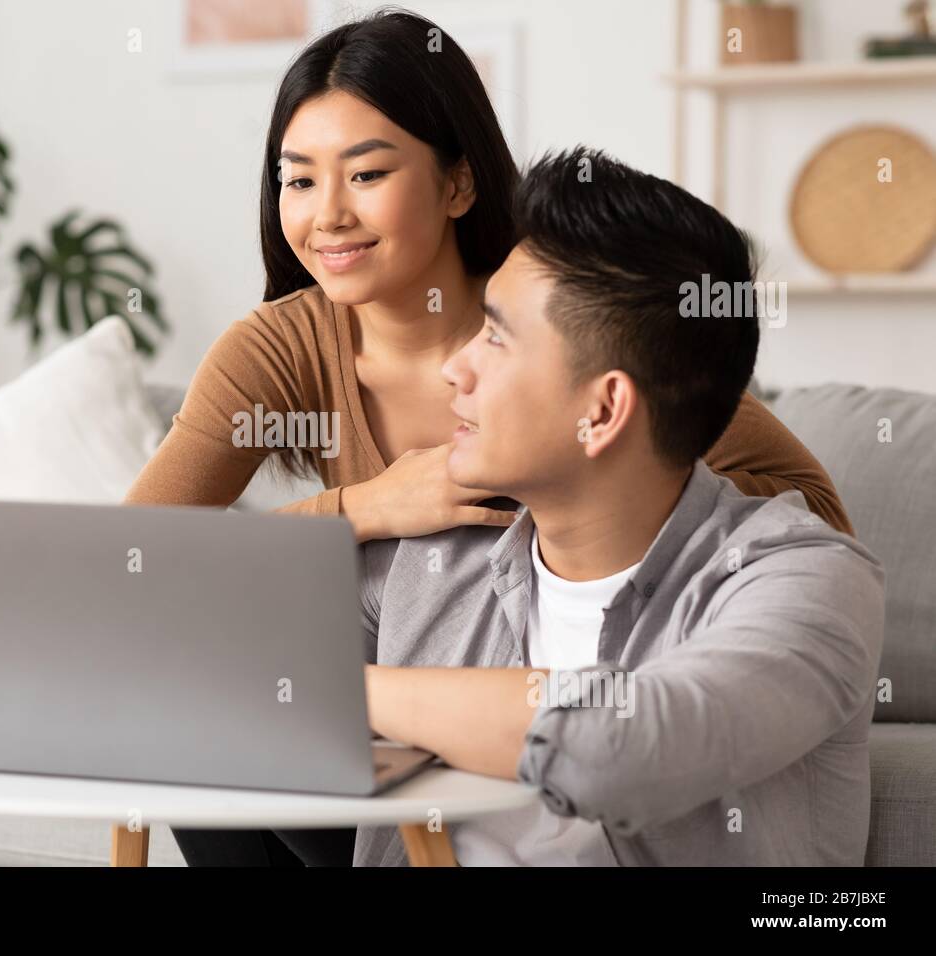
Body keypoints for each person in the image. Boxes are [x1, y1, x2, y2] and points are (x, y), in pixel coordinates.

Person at [135, 7, 855, 866]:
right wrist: (364, 507)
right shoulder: (396, 547)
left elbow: (741, 469)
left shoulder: (581, 329)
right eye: (297, 179)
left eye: (365, 174)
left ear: (457, 185)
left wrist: (615, 544)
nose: (327, 215)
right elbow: (143, 574)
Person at [354, 147, 884, 866]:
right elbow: (206, 655)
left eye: (497, 337)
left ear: (603, 411)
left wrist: (348, 694)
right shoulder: (437, 557)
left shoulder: (805, 583)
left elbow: (619, 747)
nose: (455, 367)